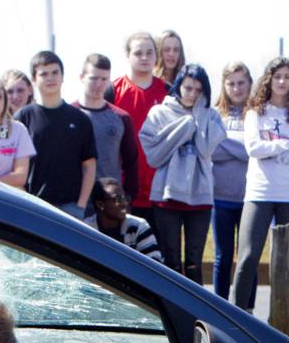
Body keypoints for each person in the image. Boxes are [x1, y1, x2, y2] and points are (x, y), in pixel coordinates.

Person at [231, 58, 289, 313]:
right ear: (269, 79)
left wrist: (275, 150)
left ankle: (284, 316)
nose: (281, 82)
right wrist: (287, 145)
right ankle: (237, 314)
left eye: (287, 77)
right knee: (248, 256)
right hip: (260, 191)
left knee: (286, 260)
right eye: (277, 76)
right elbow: (254, 148)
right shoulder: (256, 112)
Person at [139, 64, 226, 283]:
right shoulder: (159, 112)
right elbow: (154, 156)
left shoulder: (211, 116)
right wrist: (185, 127)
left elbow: (206, 150)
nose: (192, 94)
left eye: (198, 90)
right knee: (172, 261)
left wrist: (196, 117)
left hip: (200, 195)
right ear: (178, 86)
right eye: (188, 88)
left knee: (194, 262)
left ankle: (197, 312)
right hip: (166, 196)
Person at [15, 50, 98, 215]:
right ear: (33, 80)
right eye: (44, 74)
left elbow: (89, 165)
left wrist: (80, 206)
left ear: (63, 76)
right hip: (33, 205)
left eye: (55, 72)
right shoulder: (23, 117)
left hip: (71, 208)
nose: (50, 78)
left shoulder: (80, 119)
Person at [112, 32, 168, 221]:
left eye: (149, 52)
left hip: (160, 192)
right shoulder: (113, 90)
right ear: (127, 55)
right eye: (138, 53)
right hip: (123, 189)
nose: (144, 58)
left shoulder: (168, 91)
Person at [211, 61, 253, 300]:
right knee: (222, 257)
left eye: (241, 83)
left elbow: (254, 150)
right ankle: (219, 306)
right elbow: (210, 151)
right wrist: (243, 146)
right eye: (231, 84)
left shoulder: (258, 112)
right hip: (221, 196)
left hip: (250, 198)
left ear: (249, 84)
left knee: (247, 256)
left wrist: (225, 141)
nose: (236, 88)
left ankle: (246, 308)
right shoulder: (216, 115)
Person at [73, 53, 139, 202]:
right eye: (93, 78)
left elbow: (131, 162)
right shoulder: (69, 115)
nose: (98, 84)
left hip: (110, 202)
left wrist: (128, 199)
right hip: (75, 200)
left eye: (104, 79)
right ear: (82, 77)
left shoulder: (121, 118)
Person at [85, 176, 163, 262]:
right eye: (117, 199)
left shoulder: (138, 226)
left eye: (124, 198)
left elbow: (154, 263)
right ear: (100, 204)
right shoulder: (86, 230)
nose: (124, 203)